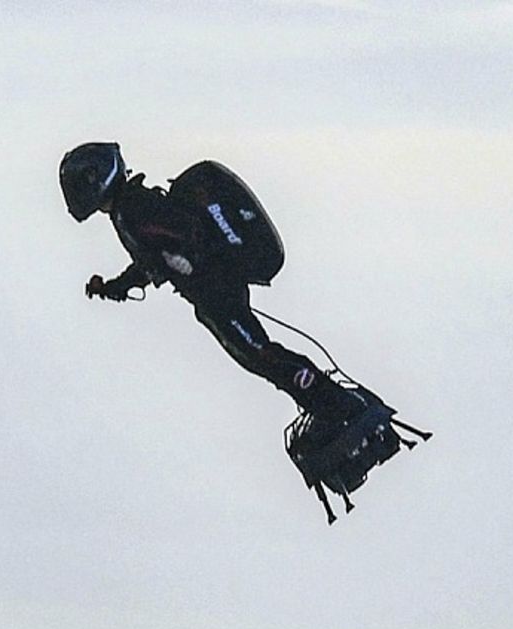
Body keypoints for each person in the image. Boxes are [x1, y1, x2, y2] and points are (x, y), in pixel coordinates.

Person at [59, 141, 362, 424]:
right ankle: (329, 406)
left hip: (214, 288)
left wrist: (185, 262)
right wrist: (117, 286)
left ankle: (336, 406)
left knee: (256, 351)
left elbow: (181, 233)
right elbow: (152, 258)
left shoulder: (131, 208)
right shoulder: (129, 208)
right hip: (211, 290)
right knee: (255, 353)